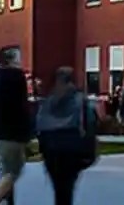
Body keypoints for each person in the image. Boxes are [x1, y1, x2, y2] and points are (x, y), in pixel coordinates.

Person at [35, 67, 98, 205]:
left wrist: (43, 148)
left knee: (59, 188)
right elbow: (90, 125)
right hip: (72, 149)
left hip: (51, 150)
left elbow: (39, 125)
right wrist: (91, 151)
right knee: (67, 188)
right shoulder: (80, 100)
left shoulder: (49, 101)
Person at [0, 46, 30, 205]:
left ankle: (10, 202)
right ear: (11, 58)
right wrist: (28, 133)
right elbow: (21, 105)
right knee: (12, 173)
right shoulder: (17, 76)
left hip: (0, 131)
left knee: (6, 171)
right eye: (17, 56)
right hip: (14, 133)